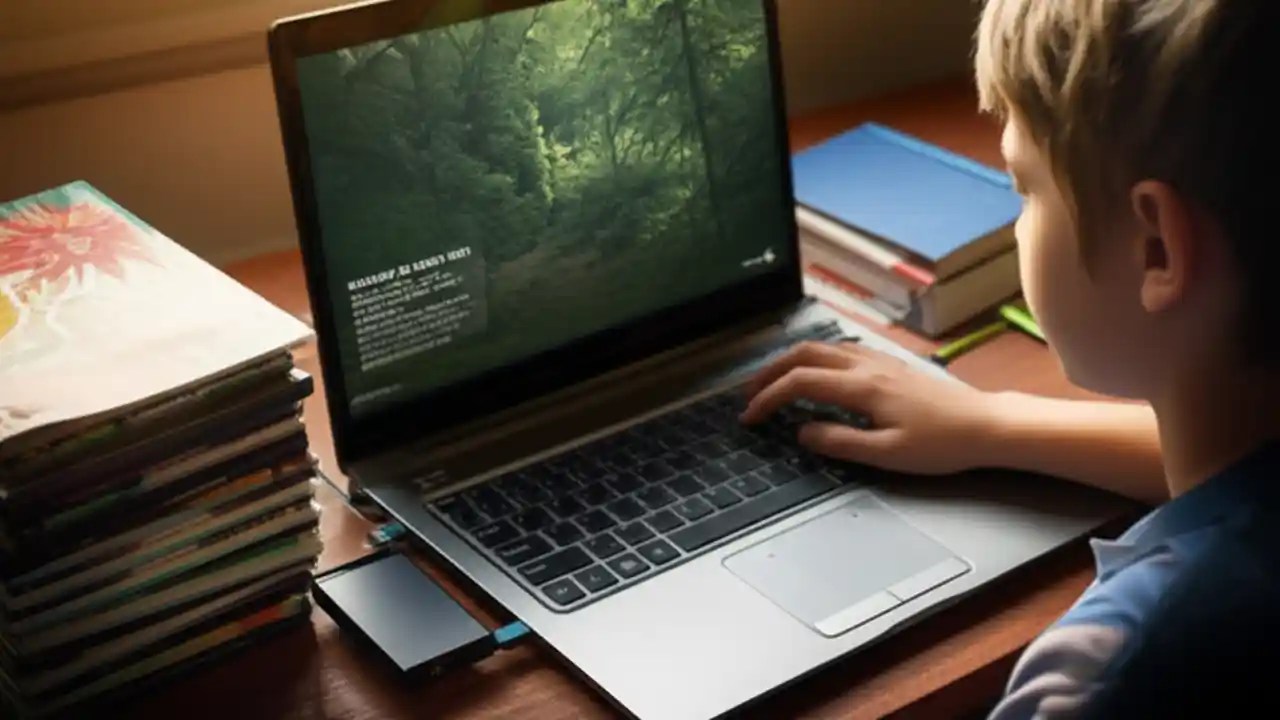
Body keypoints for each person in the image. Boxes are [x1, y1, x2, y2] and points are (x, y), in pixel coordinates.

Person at [740, 0, 1280, 716]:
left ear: (1156, 249)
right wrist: (993, 422)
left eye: (1025, 187)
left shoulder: (1107, 677)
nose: (1020, 221)